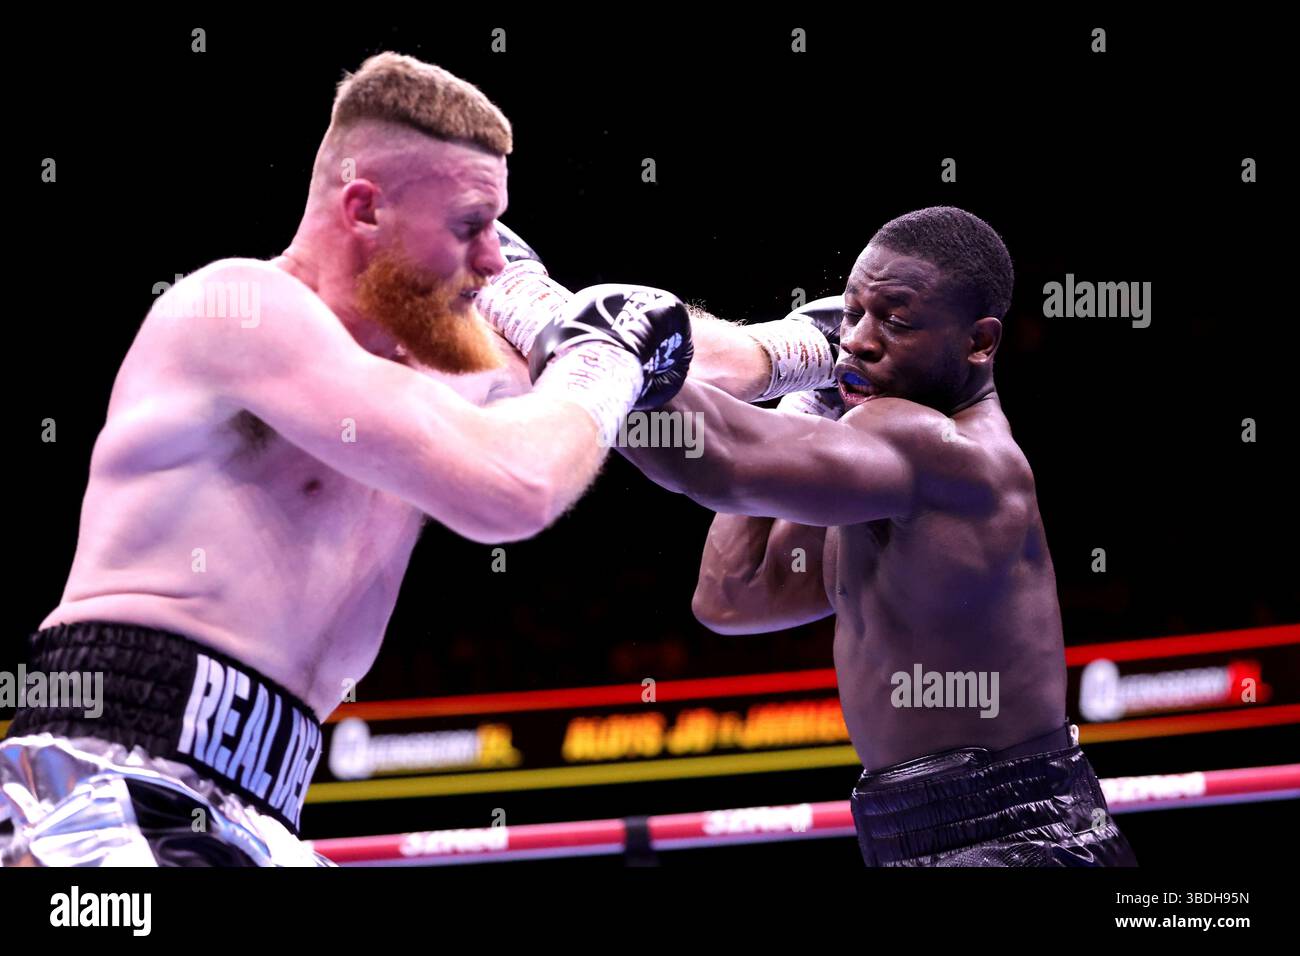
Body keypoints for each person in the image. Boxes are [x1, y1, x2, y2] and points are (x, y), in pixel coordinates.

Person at [0, 52, 690, 867]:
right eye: (470, 227)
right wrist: (600, 362)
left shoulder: (439, 370)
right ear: (364, 209)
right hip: (101, 778)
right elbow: (521, 483)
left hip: (263, 808)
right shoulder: (241, 308)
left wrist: (819, 348)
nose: (497, 259)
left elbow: (649, 340)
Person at [619, 206, 1138, 866]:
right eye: (852, 313)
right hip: (923, 831)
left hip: (1015, 838)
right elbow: (732, 595)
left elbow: (719, 456)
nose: (858, 340)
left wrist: (609, 354)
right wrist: (806, 398)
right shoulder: (888, 482)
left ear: (979, 342)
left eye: (894, 320)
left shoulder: (938, 449)